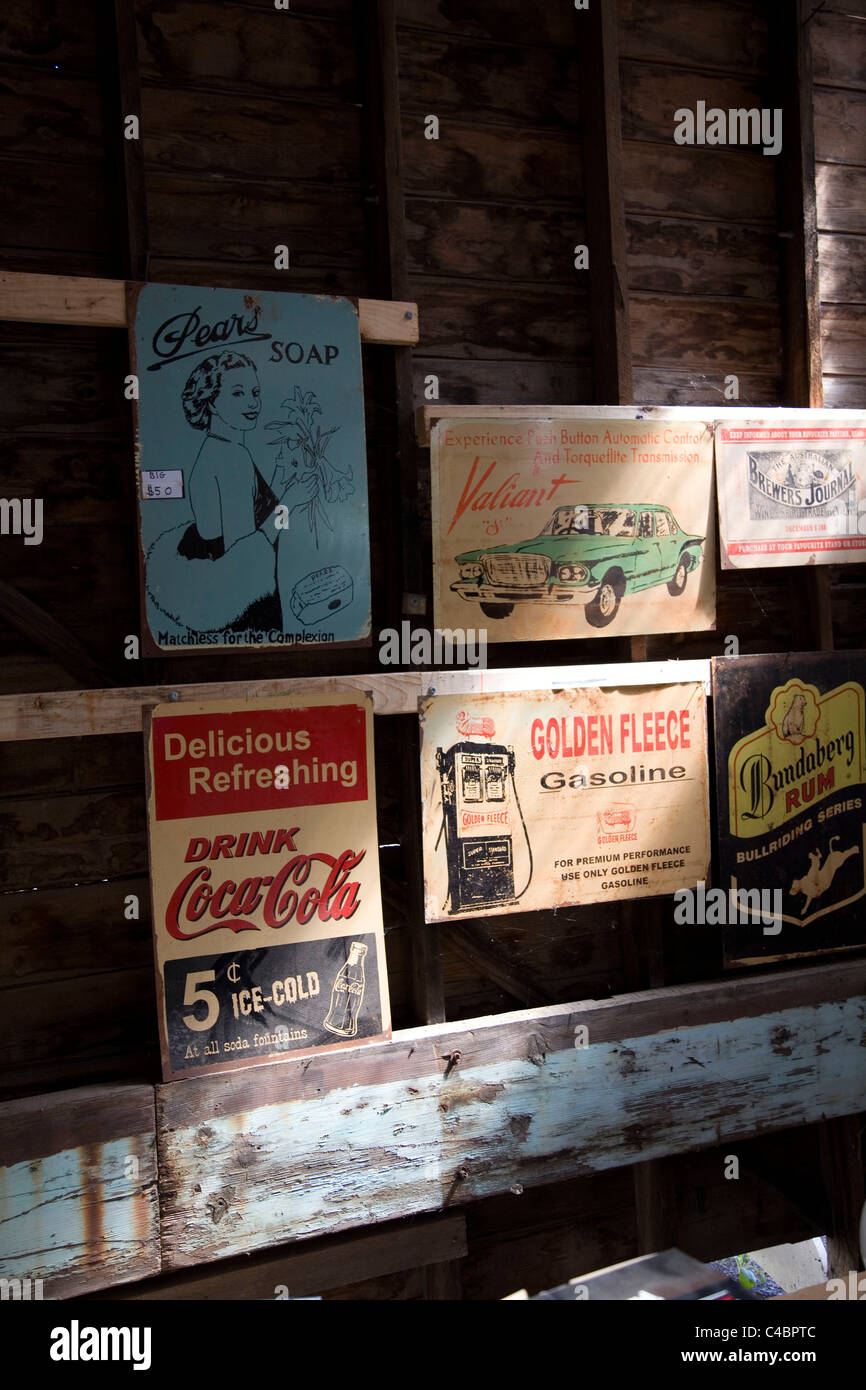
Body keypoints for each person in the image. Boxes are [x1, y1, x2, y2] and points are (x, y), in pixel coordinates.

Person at [145, 351, 315, 638]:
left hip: (227, 607)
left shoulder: (214, 452)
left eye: (255, 392)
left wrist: (282, 483)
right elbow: (248, 554)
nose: (252, 402)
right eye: (237, 393)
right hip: (246, 609)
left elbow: (242, 519)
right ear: (211, 401)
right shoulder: (233, 457)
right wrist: (291, 502)